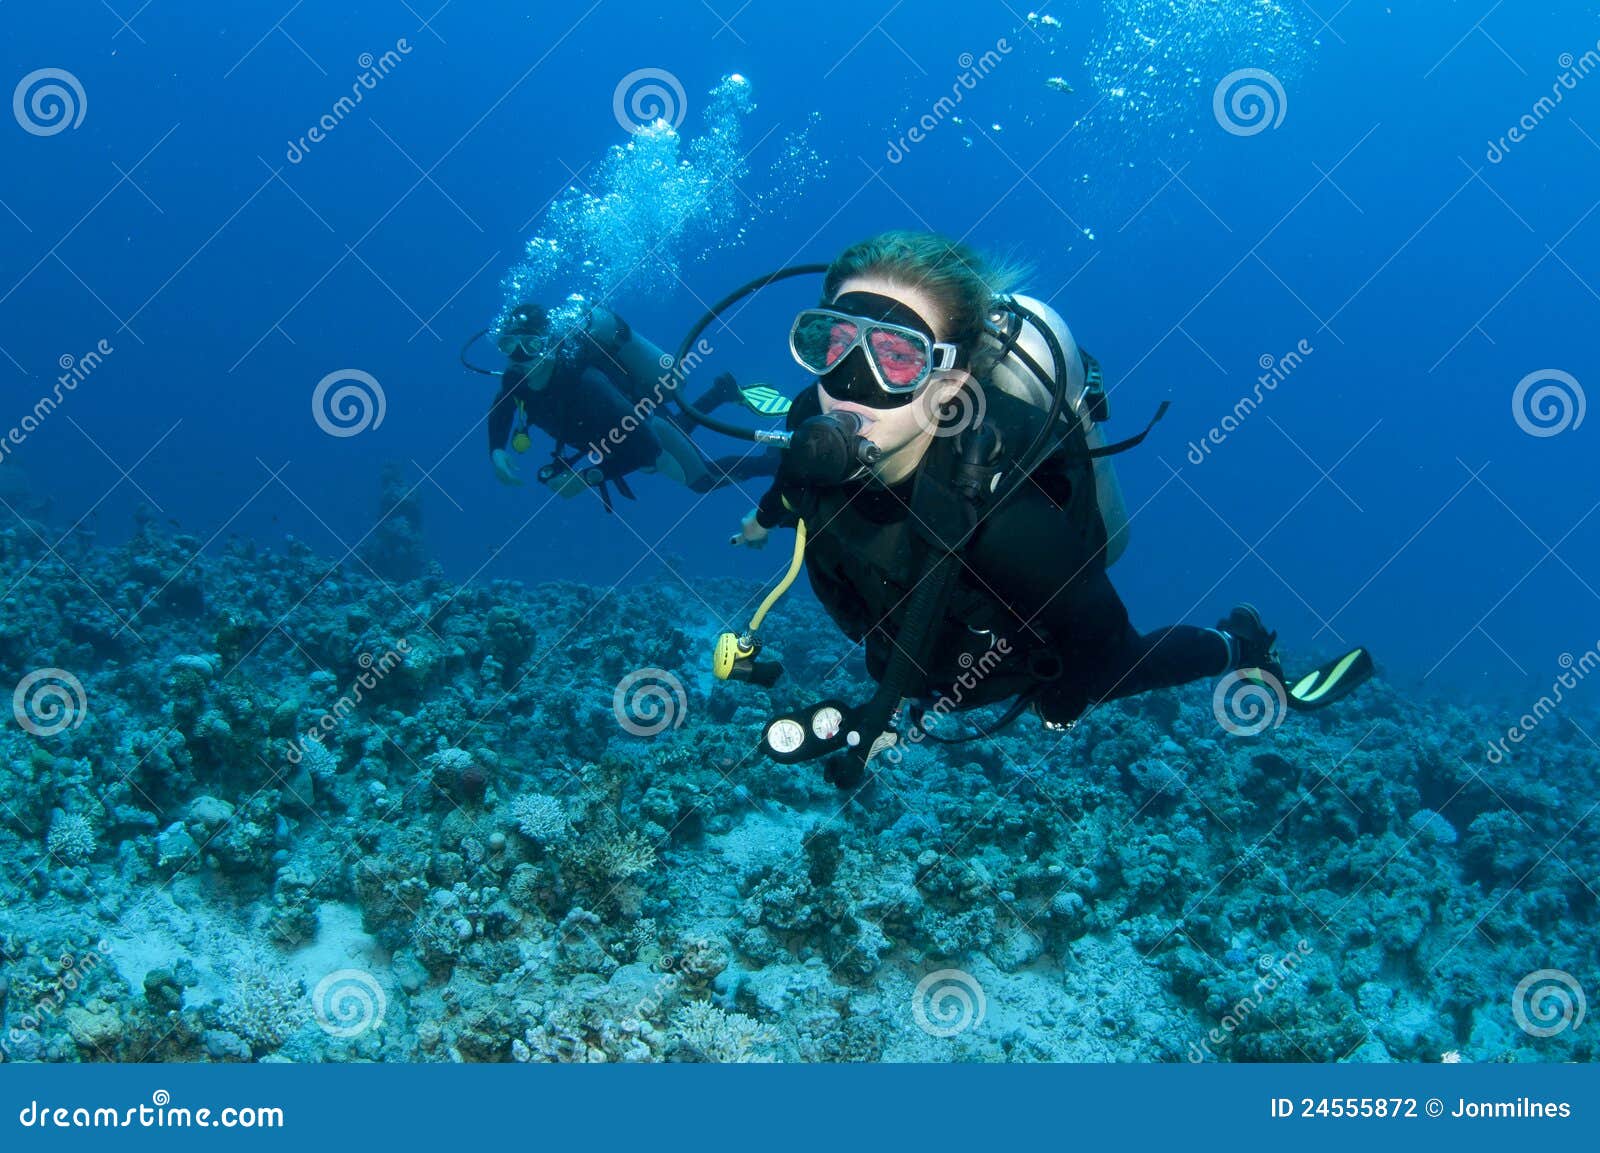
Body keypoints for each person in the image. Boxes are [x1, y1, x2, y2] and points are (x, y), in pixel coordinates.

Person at [728, 231, 1313, 774]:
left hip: (997, 659)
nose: (850, 380)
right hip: (898, 633)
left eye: (897, 356)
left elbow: (1105, 645)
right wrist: (762, 520)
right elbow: (792, 479)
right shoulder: (812, 413)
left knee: (1118, 671)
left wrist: (1069, 689)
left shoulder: (1004, 520)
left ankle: (1240, 641)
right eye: (833, 341)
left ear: (949, 386)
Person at [487, 298, 777, 508]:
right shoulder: (515, 378)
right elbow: (502, 409)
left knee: (703, 481)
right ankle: (720, 393)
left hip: (643, 428)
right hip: (618, 437)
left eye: (532, 346)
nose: (520, 359)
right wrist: (497, 450)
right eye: (508, 346)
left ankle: (772, 462)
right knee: (674, 434)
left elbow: (646, 448)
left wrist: (587, 477)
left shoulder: (588, 384)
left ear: (550, 345)